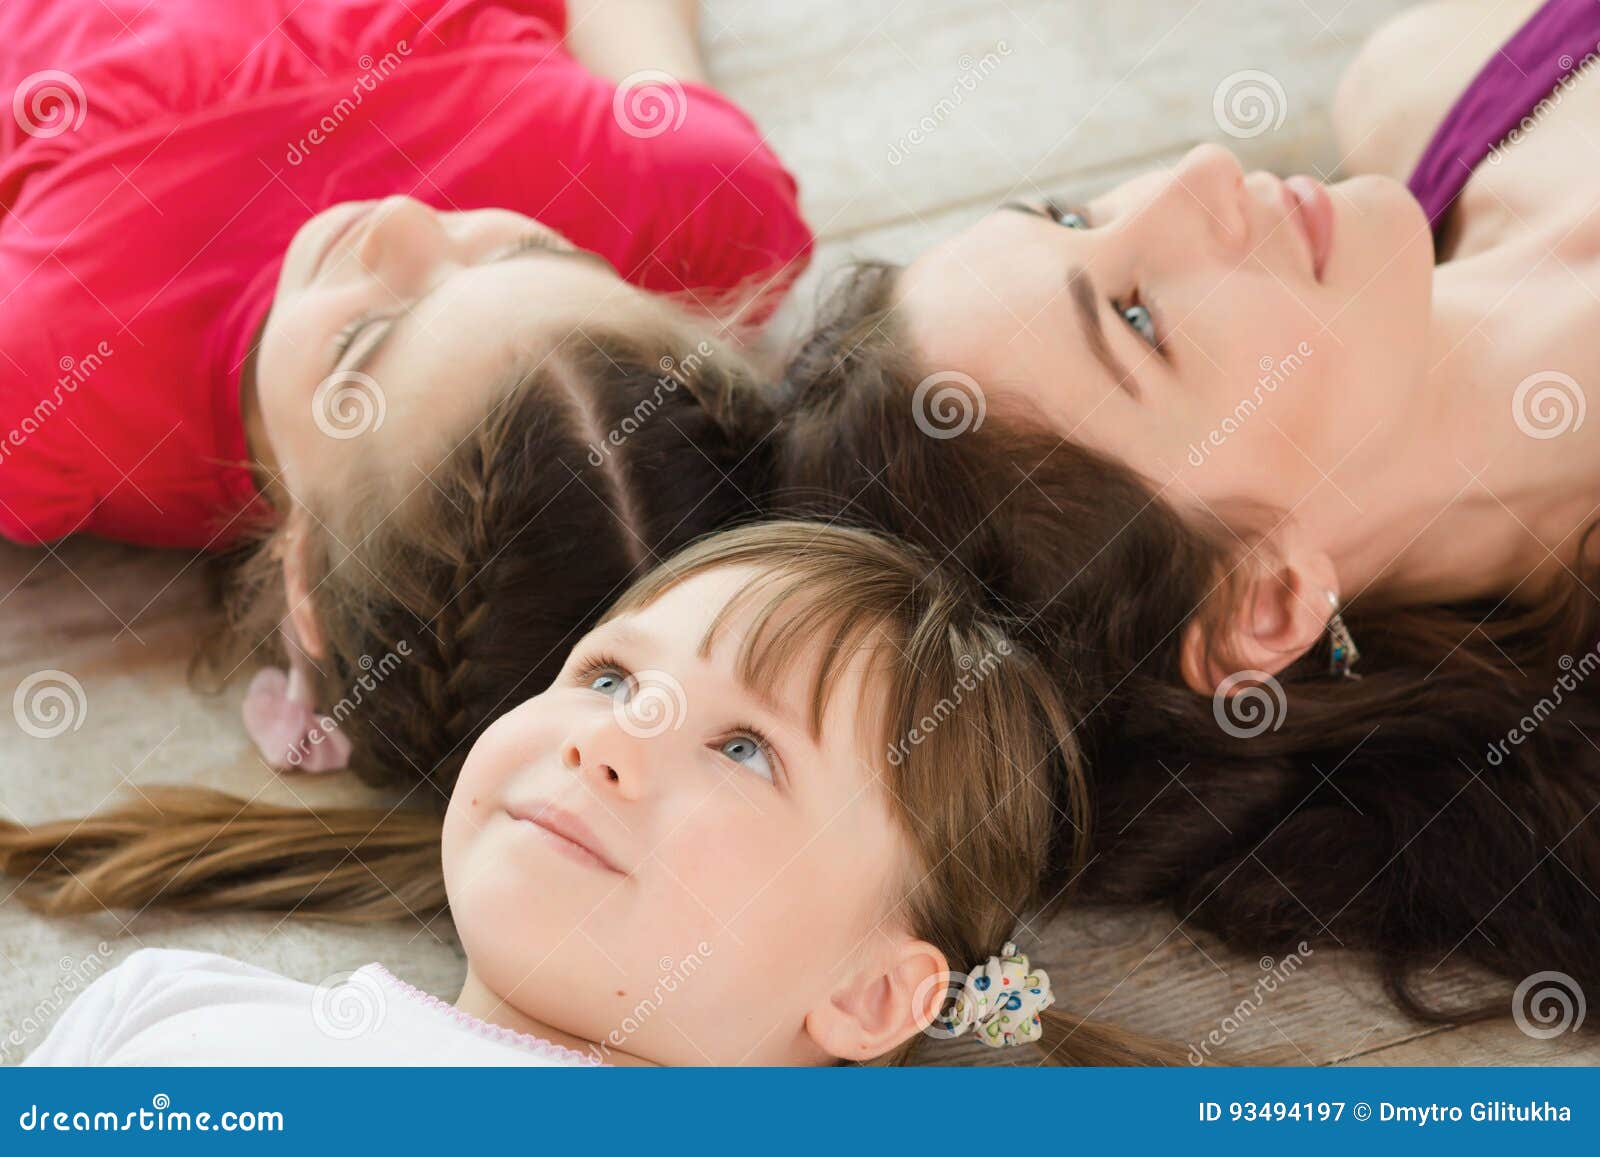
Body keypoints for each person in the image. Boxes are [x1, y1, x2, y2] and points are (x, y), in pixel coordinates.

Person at [770, 0, 1600, 1031]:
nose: (1196, 173)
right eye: (1136, 316)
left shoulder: (1429, 80)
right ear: (1262, 601)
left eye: (1073, 217)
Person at [0, 0, 813, 795]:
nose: (402, 218)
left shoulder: (43, 396)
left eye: (361, 343)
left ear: (305, 581)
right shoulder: (701, 205)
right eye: (529, 242)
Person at [11, 521, 1195, 1066]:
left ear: (875, 990)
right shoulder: (170, 1015)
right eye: (611, 674)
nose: (609, 743)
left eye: (745, 749)